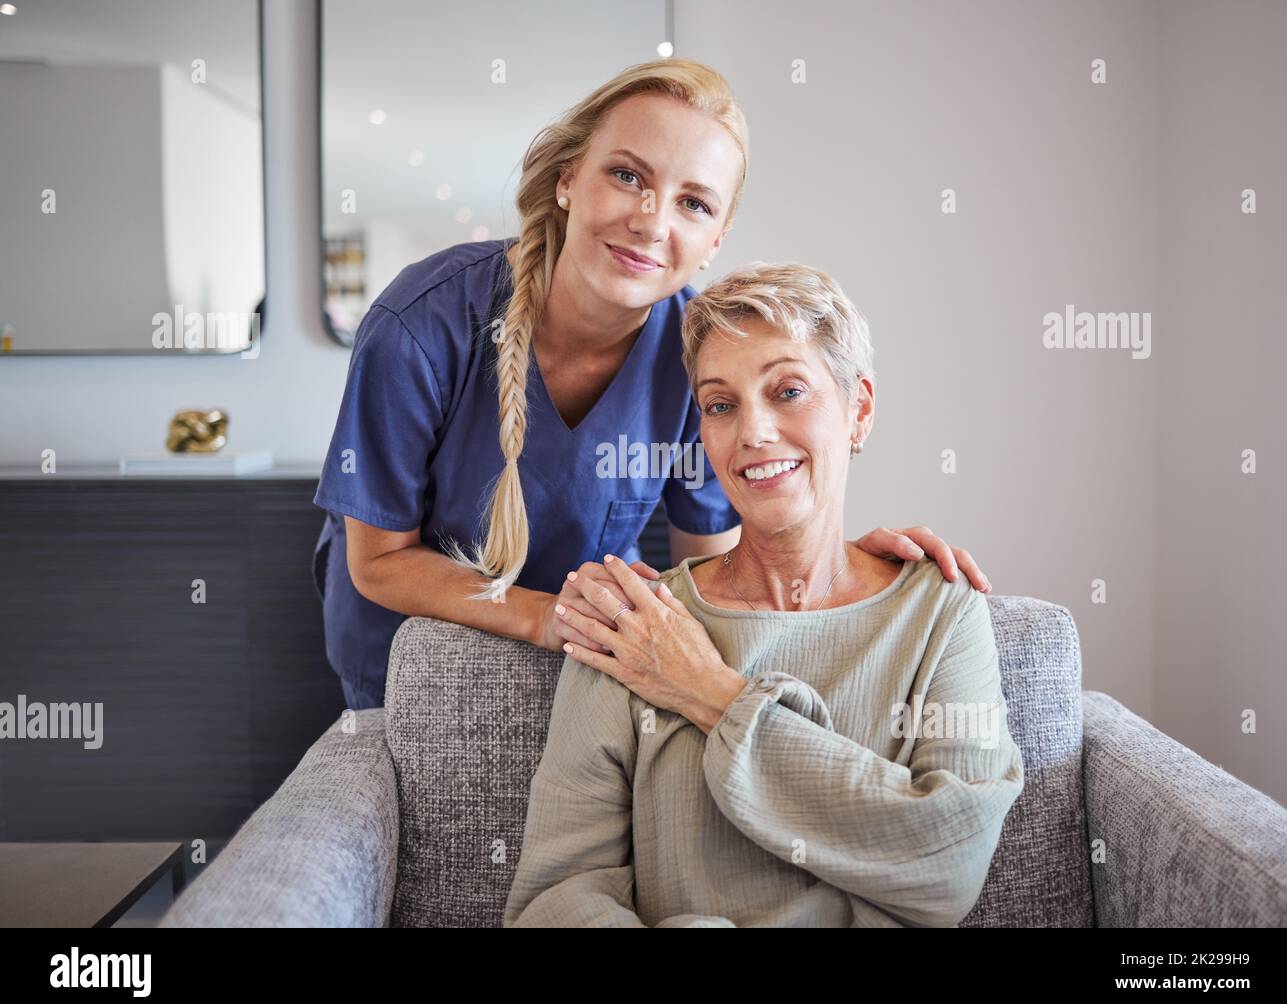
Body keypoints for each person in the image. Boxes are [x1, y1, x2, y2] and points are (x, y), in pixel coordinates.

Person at [312, 59, 990, 710]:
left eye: (693, 203)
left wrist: (852, 570)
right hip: (416, 659)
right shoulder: (420, 324)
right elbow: (379, 563)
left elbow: (719, 567)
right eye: (628, 175)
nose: (652, 221)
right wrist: (549, 617)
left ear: (716, 238)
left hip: (589, 660)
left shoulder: (700, 356)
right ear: (568, 179)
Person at [504, 262, 1024, 927]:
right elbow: (554, 900)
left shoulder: (940, 613)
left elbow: (950, 864)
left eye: (787, 390)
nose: (753, 431)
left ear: (859, 409)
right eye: (721, 404)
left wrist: (710, 693)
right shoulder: (633, 624)